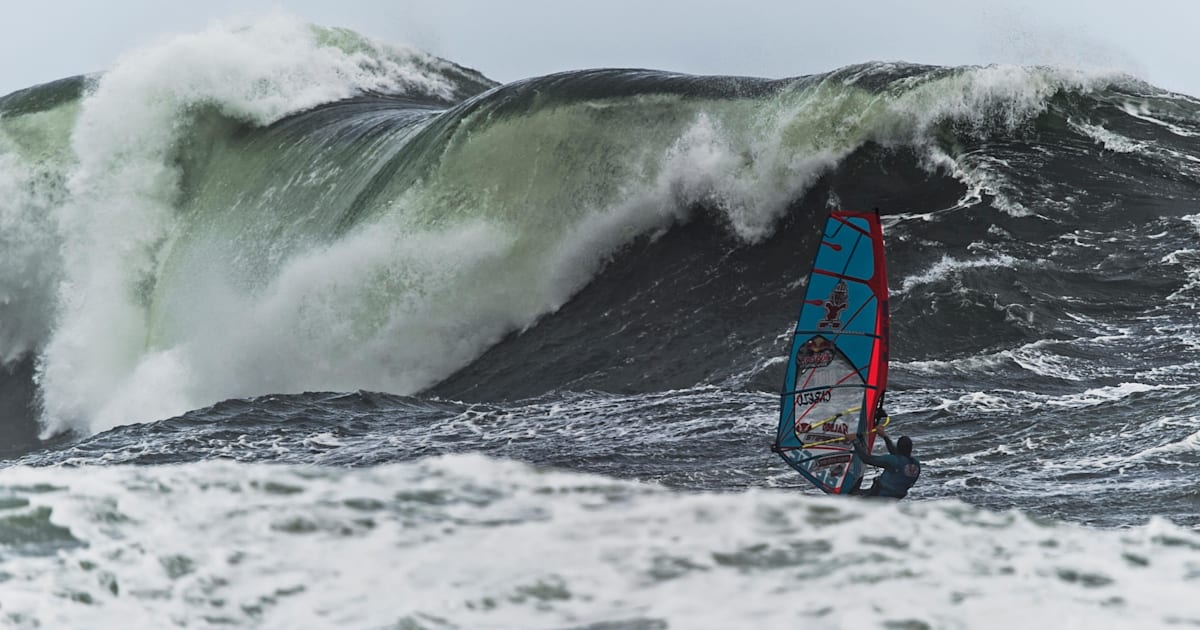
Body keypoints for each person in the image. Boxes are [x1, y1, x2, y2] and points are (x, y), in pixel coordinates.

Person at [850, 417, 920, 499]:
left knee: (850, 495)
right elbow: (898, 455)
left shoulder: (893, 461)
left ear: (898, 447)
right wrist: (884, 436)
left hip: (878, 497)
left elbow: (866, 459)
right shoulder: (916, 464)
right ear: (910, 449)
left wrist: (855, 441)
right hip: (895, 498)